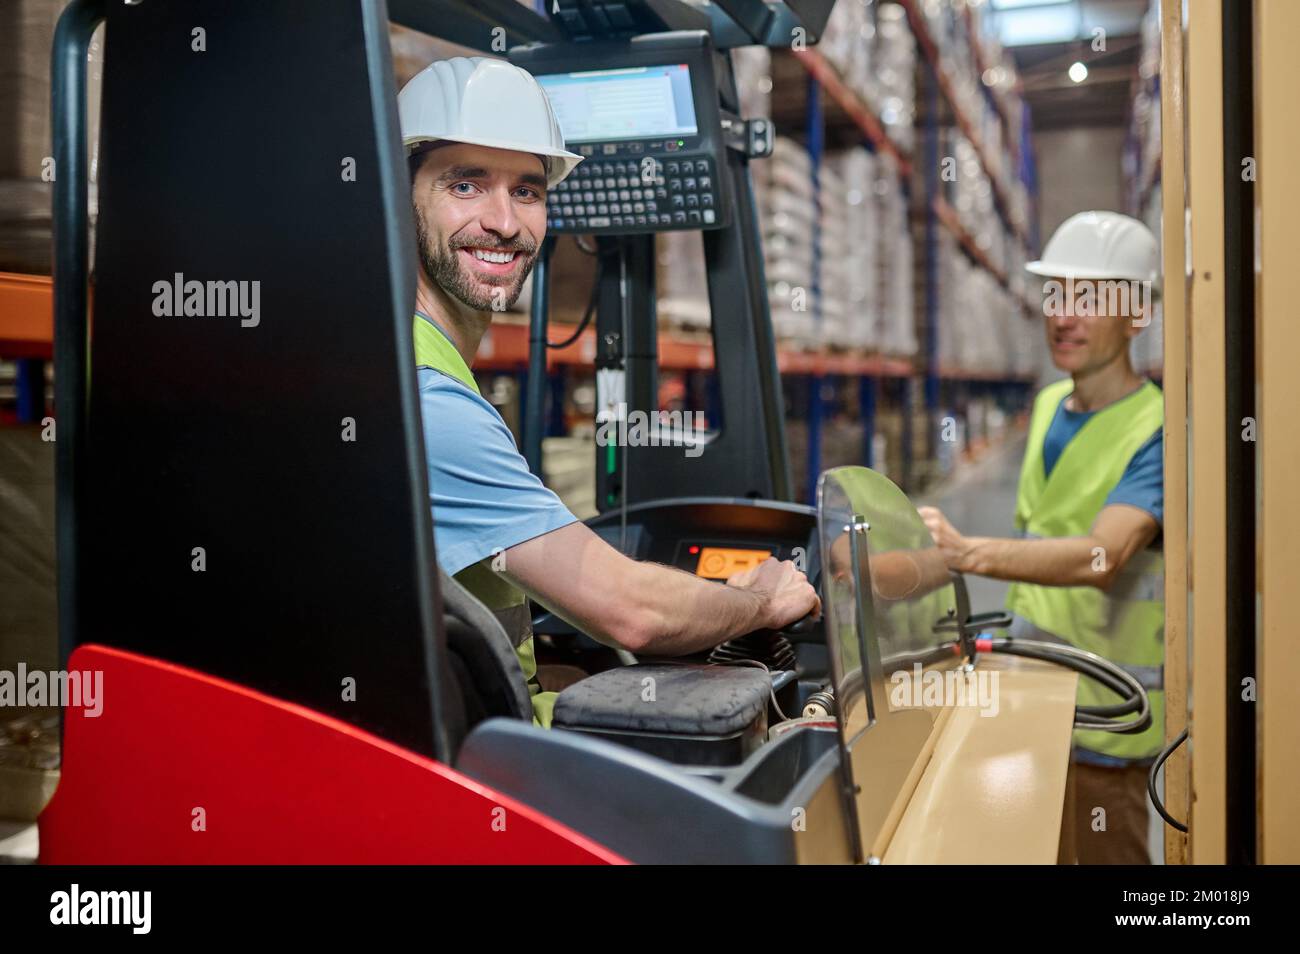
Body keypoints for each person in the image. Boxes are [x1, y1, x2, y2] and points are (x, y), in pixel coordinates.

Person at [398, 57, 819, 727]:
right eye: (467, 185)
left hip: (477, 721)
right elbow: (632, 611)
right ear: (399, 197)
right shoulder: (426, 402)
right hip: (482, 764)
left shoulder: (409, 356)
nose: (505, 222)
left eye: (528, 191)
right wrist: (762, 602)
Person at [918, 211, 1164, 864]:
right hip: (1033, 697)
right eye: (1058, 294)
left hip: (1110, 718)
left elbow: (1102, 556)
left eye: (1090, 297)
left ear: (1137, 312)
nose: (1065, 314)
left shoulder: (1159, 429)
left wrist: (968, 552)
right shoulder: (1051, 403)